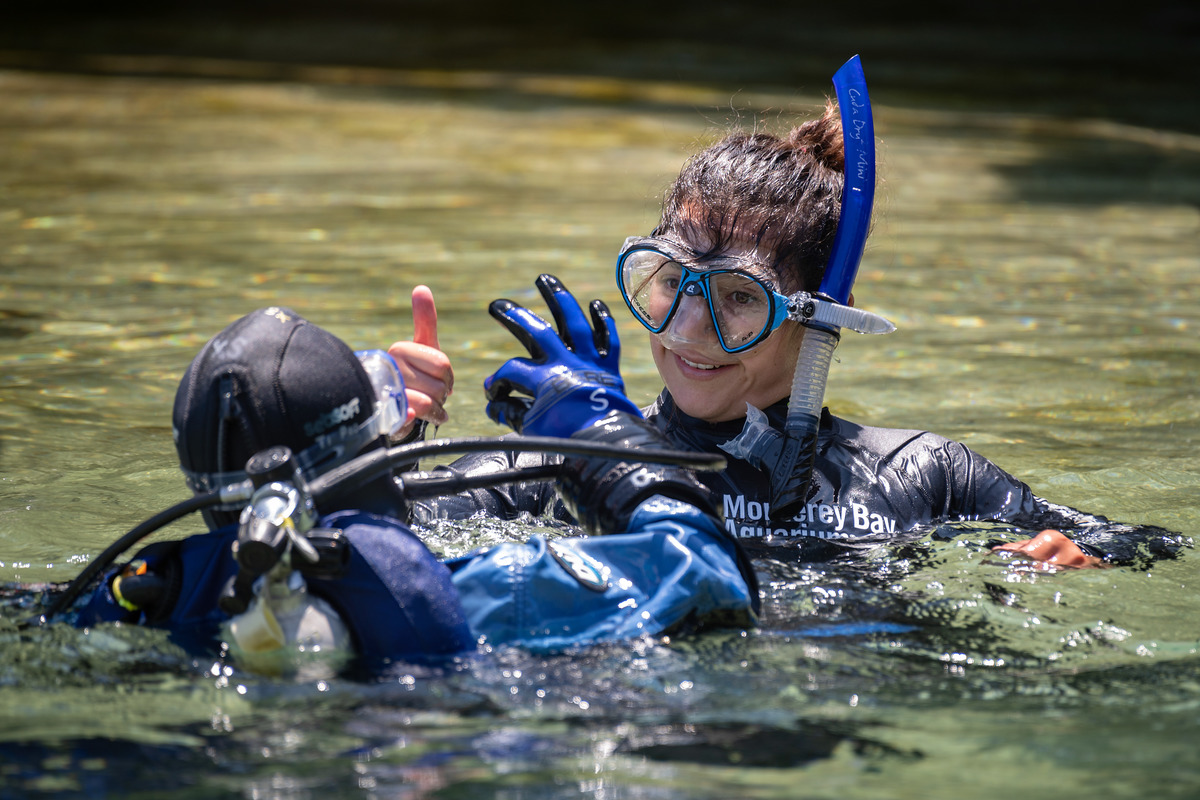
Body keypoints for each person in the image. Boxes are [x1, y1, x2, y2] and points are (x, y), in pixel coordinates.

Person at [393, 89, 1185, 570]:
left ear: (818, 319)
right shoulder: (581, 451)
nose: (688, 329)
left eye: (738, 298)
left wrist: (1075, 556)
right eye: (669, 284)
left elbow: (1152, 544)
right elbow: (385, 531)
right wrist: (398, 435)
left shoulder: (920, 478)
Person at [72, 305, 757, 677]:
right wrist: (610, 441)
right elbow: (709, 574)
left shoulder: (150, 589)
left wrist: (382, 455)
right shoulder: (483, 592)